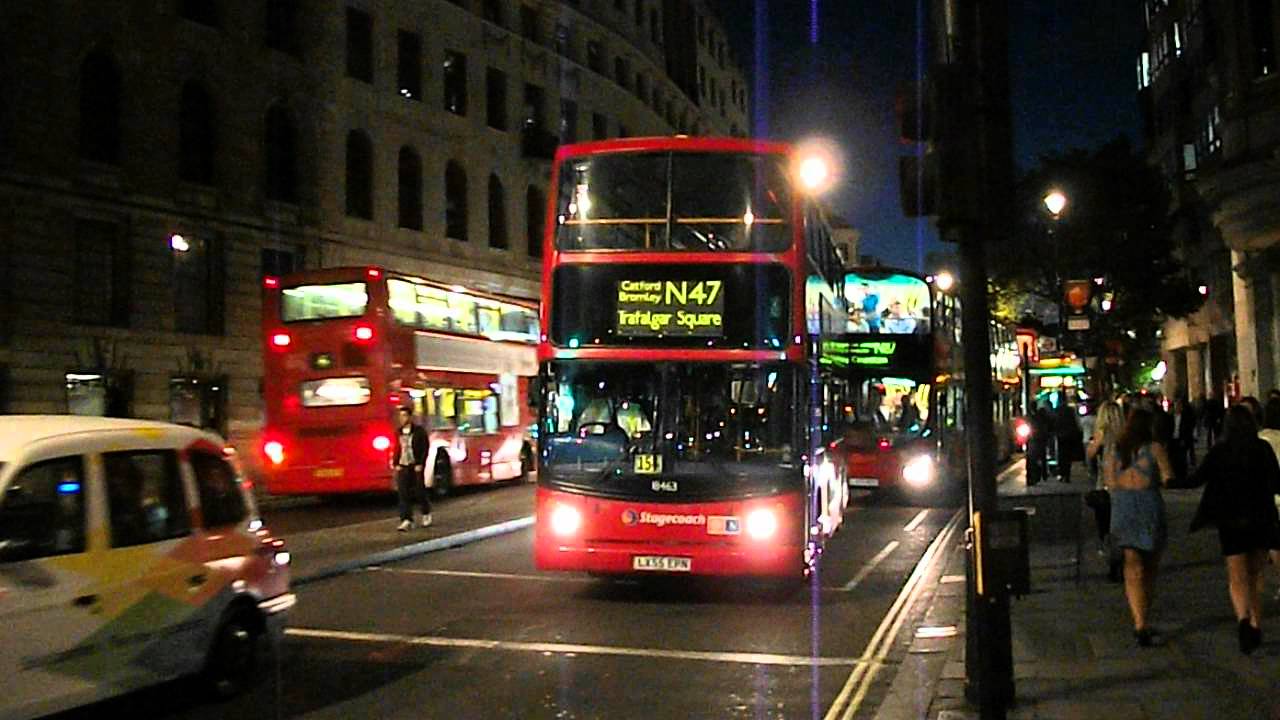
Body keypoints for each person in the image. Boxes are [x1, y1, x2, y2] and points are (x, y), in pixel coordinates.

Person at [1189, 404, 1280, 654]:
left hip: (1230, 520)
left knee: (1236, 575)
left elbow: (1197, 478)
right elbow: (1276, 481)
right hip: (1260, 517)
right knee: (1256, 574)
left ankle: (1242, 619)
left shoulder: (1220, 451)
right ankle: (1256, 622)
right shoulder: (1261, 448)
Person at [1108, 406, 1175, 647]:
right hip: (1148, 504)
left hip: (1123, 505)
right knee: (1150, 565)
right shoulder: (1155, 449)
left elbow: (1109, 480)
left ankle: (1138, 622)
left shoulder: (1117, 450)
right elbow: (1168, 476)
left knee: (1131, 565)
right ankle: (1144, 617)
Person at [1086, 400, 1126, 582]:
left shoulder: (1101, 434)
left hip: (1104, 487)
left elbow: (1090, 455)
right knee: (1122, 527)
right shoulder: (1126, 435)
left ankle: (1113, 561)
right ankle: (1123, 558)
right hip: (1126, 488)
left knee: (1106, 528)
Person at [391, 406, 432, 531]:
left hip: (415, 466)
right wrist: (396, 463)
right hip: (403, 465)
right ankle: (406, 519)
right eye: (400, 416)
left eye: (404, 416)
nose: (402, 418)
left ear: (410, 417)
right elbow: (396, 448)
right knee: (403, 493)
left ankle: (425, 513)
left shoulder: (419, 431)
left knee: (419, 491)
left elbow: (425, 448)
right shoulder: (398, 432)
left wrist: (420, 463)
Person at [1053, 400, 1086, 482]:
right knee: (1067, 456)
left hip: (1061, 435)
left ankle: (1062, 473)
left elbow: (1055, 422)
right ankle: (1067, 475)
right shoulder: (1071, 411)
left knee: (1061, 455)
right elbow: (1076, 422)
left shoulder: (1057, 411)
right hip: (1070, 435)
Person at [1173, 395, 1198, 468]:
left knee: (1184, 453)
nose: (1176, 407)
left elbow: (1188, 427)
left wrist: (1185, 438)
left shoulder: (1186, 416)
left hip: (1183, 438)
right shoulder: (1172, 416)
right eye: (1176, 406)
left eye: (1178, 405)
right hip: (1175, 438)